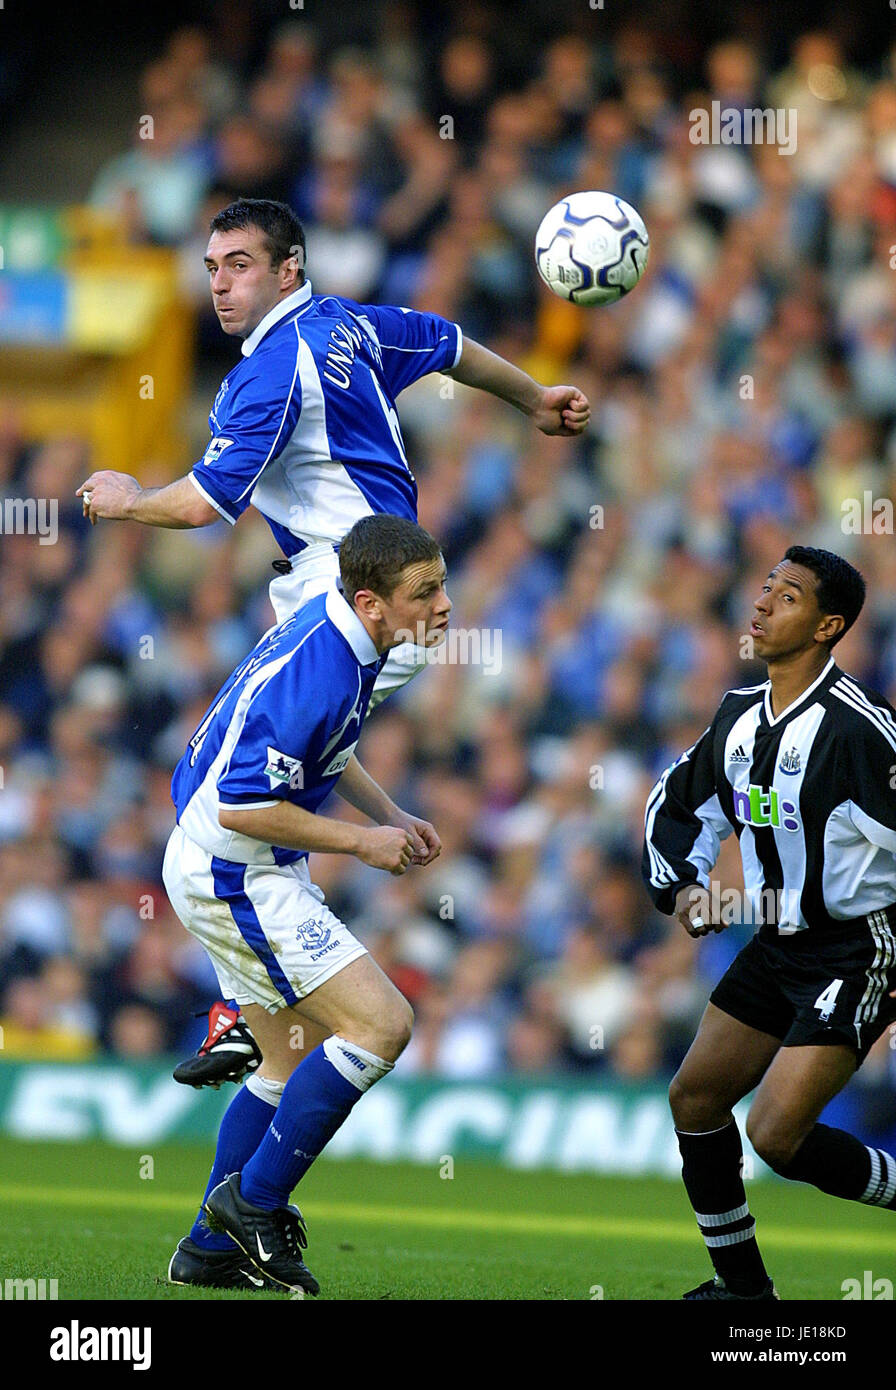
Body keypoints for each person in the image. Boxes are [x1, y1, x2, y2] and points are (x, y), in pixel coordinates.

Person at [76, 195, 590, 1082]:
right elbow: (452, 345)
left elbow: (204, 503)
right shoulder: (351, 324)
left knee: (227, 792)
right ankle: (250, 1004)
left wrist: (126, 500)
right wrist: (533, 397)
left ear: (289, 269)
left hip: (352, 596)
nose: (221, 284)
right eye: (211, 267)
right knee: (222, 770)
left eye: (239, 264)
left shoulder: (274, 368)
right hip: (380, 593)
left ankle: (238, 1003)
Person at [166, 513, 449, 1294]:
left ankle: (206, 1249)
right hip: (235, 869)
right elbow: (243, 808)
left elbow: (327, 747)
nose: (444, 606)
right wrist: (362, 843)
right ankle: (253, 1203)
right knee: (383, 1024)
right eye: (425, 592)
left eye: (442, 584)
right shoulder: (323, 667)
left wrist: (389, 813)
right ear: (371, 602)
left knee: (287, 1058)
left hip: (235, 861)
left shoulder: (345, 637)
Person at [642, 545, 896, 1301]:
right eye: (763, 589)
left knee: (778, 1136)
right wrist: (684, 889)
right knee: (694, 1097)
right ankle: (744, 1294)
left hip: (859, 948)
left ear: (827, 626)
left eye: (784, 597)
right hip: (778, 943)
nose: (759, 604)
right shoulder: (737, 718)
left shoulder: (861, 731)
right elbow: (678, 806)